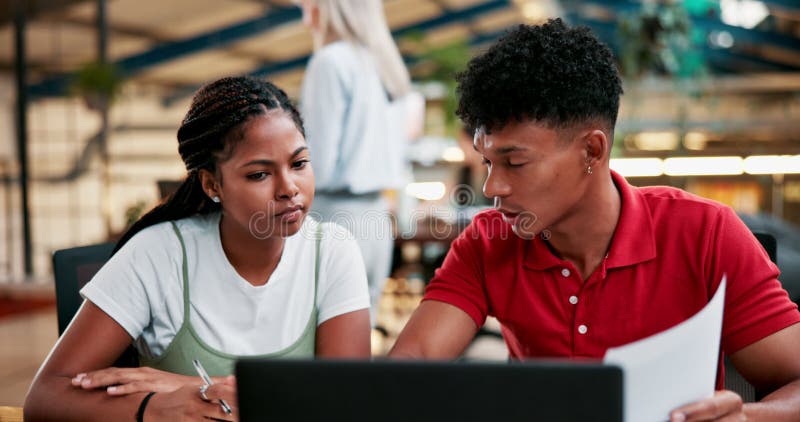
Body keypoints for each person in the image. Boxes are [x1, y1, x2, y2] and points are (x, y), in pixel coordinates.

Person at [389, 19, 800, 421]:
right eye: (487, 162)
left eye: (514, 162)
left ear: (592, 150)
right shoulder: (488, 240)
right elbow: (409, 367)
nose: (494, 186)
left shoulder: (705, 234)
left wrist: (747, 417)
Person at [24, 76, 371, 421]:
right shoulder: (158, 254)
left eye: (299, 164)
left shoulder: (332, 252)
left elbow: (346, 404)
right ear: (211, 183)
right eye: (259, 175)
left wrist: (179, 385)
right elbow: (44, 397)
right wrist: (154, 407)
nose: (289, 188)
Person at [299, 0, 424, 325]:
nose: (304, 18)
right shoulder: (384, 66)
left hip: (333, 215)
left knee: (319, 334)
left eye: (308, 5)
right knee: (357, 333)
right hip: (376, 218)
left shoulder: (330, 62)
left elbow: (318, 162)